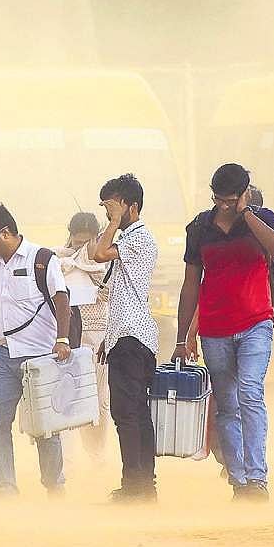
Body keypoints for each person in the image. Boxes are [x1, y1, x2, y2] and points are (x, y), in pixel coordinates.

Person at [174, 164, 274, 502]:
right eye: (217, 200)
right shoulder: (199, 228)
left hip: (256, 322)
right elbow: (191, 283)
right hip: (215, 329)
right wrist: (183, 338)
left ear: (244, 193)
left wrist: (246, 214)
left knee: (250, 393)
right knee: (226, 404)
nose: (223, 206)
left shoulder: (263, 219)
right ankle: (239, 481)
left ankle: (257, 478)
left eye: (229, 200)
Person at [0, 203, 71, 498]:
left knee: (44, 426)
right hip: (2, 356)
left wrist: (62, 340)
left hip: (40, 357)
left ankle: (54, 486)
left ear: (6, 233)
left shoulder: (42, 259)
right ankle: (6, 489)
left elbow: (62, 301)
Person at [92, 174, 159, 503]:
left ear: (132, 206)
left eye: (114, 208)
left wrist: (116, 221)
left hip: (132, 337)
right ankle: (143, 485)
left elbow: (97, 253)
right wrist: (110, 336)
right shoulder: (132, 240)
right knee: (136, 412)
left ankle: (136, 486)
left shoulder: (137, 237)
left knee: (127, 412)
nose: (109, 215)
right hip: (129, 335)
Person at [53, 212, 111, 458]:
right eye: (77, 243)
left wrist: (85, 267)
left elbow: (110, 292)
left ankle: (95, 456)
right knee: (65, 398)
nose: (81, 248)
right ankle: (66, 459)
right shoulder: (57, 260)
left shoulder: (106, 260)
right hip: (67, 337)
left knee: (97, 401)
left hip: (96, 337)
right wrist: (72, 261)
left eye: (86, 242)